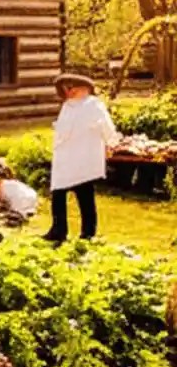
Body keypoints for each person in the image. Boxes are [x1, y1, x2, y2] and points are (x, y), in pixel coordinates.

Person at [47, 73, 117, 242]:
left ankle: (88, 232)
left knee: (85, 194)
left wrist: (111, 143)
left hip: (84, 157)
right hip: (66, 158)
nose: (68, 92)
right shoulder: (67, 106)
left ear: (81, 89)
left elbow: (107, 128)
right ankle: (58, 230)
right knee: (58, 193)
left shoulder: (93, 105)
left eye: (70, 88)